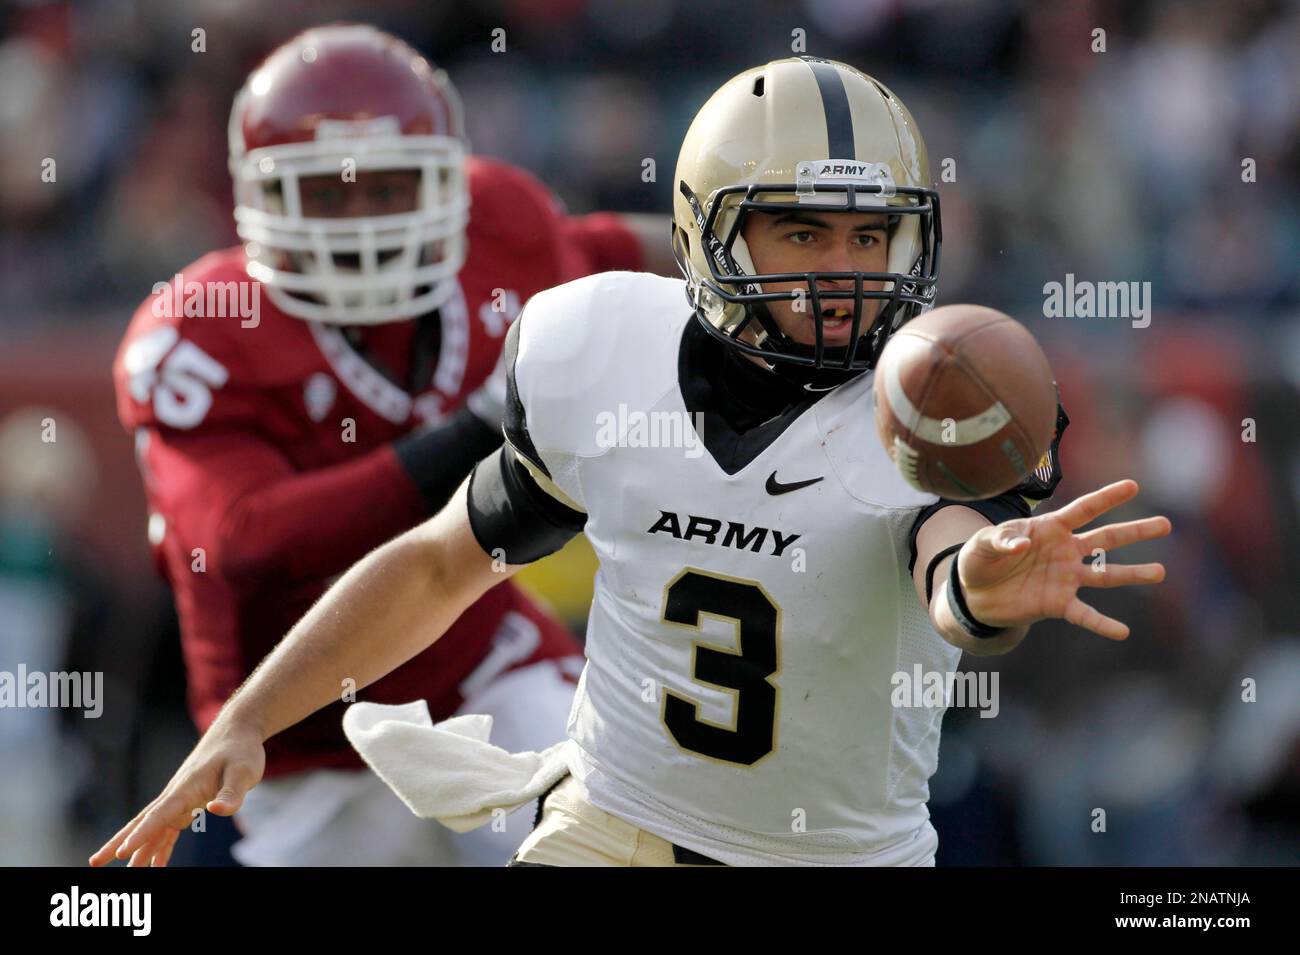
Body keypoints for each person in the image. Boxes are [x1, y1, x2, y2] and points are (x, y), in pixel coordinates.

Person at [94, 56, 1170, 869]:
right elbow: (435, 564)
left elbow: (951, 563)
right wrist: (245, 719)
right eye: (799, 233)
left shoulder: (936, 389)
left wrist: (980, 588)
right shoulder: (601, 351)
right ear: (706, 234)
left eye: (868, 234)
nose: (842, 271)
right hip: (607, 828)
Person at [109, 23, 670, 866]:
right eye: (328, 195)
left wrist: (756, 245)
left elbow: (621, 255)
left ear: (448, 183)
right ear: (258, 198)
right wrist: (474, 432)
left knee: (619, 838)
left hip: (483, 660)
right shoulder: (201, 330)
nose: (360, 220)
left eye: (390, 187)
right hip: (294, 739)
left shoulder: (503, 228)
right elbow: (246, 540)